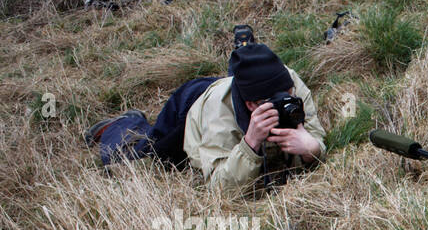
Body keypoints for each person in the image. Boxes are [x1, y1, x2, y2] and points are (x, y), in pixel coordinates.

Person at [84, 36, 326, 194]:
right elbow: (219, 188)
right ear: (253, 105)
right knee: (139, 159)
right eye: (275, 101)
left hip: (237, 85)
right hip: (190, 105)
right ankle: (121, 123)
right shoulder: (217, 114)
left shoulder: (291, 82)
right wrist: (250, 143)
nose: (287, 100)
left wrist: (311, 148)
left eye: (288, 93)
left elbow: (315, 136)